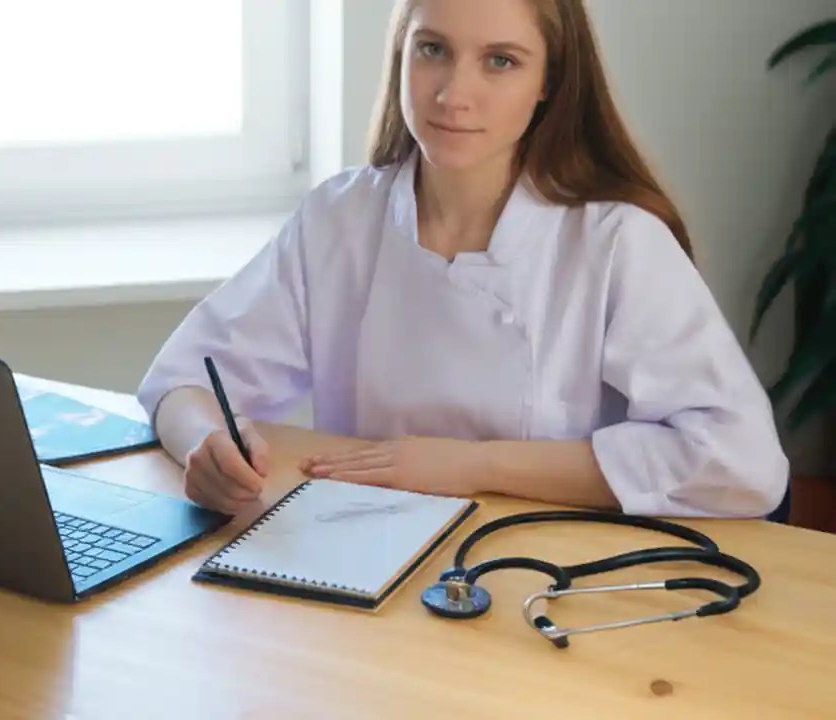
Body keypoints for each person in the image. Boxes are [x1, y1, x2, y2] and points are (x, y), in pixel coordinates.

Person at [135, 0, 788, 519]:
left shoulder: (615, 242)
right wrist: (205, 444)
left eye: (500, 61)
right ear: (401, 54)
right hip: (367, 557)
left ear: (548, 84)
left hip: (550, 574)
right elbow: (181, 379)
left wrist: (471, 466)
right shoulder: (340, 219)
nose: (453, 93)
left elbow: (742, 462)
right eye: (433, 50)